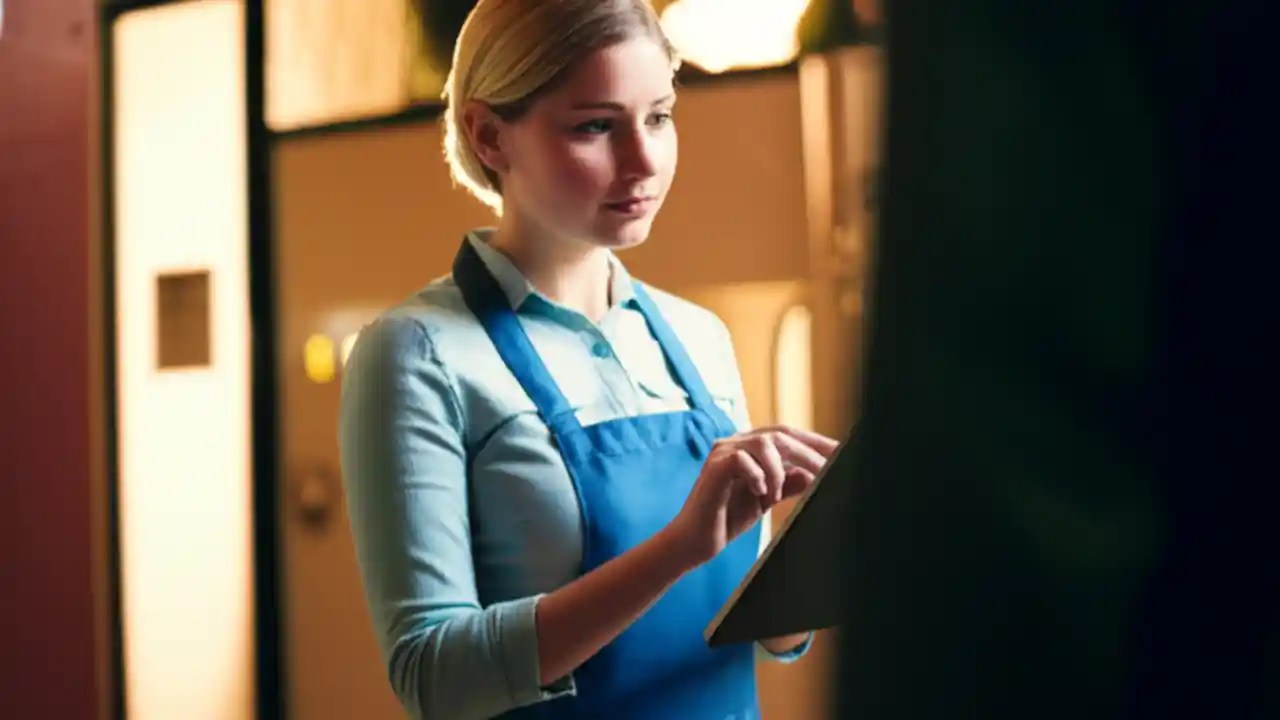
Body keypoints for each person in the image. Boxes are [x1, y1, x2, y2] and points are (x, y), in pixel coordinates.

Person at [338, 1, 837, 717]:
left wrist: (826, 552)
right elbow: (431, 676)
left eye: (659, 117)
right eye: (596, 126)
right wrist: (678, 547)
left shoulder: (700, 336)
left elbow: (748, 629)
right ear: (488, 135)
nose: (644, 161)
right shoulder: (418, 353)